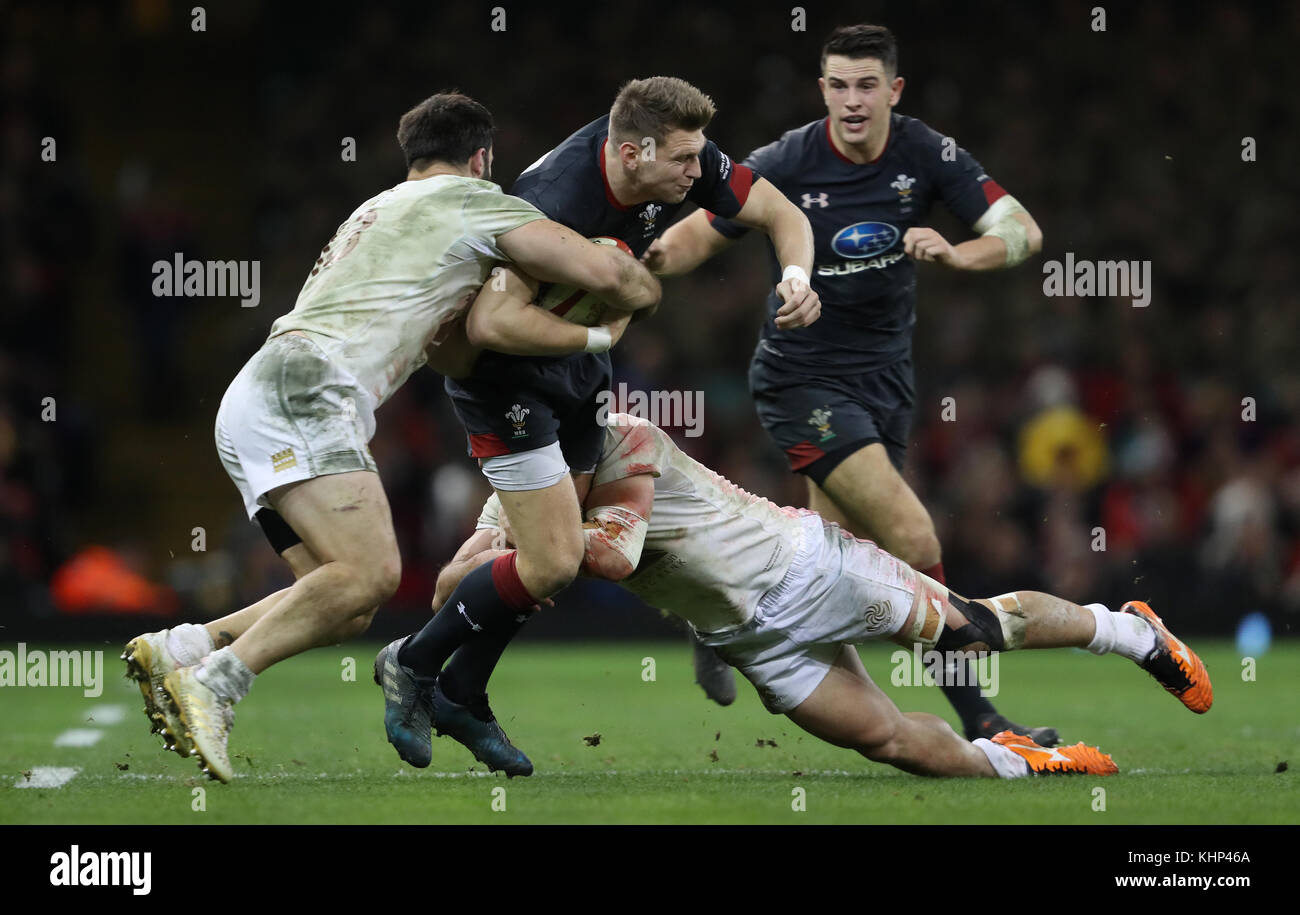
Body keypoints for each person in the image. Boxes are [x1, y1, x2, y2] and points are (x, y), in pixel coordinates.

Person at [122, 91, 661, 783]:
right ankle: (218, 682)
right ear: (482, 158)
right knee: (372, 573)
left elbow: (446, 345)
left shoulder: (374, 208)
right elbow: (605, 272)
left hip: (258, 392)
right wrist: (631, 305)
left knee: (338, 597)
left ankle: (184, 647)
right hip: (307, 390)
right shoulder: (473, 202)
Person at [379, 76, 821, 775]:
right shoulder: (553, 199)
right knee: (550, 558)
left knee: (547, 561)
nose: (694, 171)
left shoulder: (680, 158)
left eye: (697, 157)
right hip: (505, 383)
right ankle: (413, 660)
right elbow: (490, 322)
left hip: (577, 376)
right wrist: (598, 336)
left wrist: (796, 277)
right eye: (680, 160)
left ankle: (462, 687)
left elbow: (780, 211)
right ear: (631, 151)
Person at [645, 24, 1053, 743]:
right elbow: (699, 233)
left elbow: (1021, 230)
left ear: (894, 90)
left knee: (828, 556)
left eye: (867, 85)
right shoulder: (787, 159)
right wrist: (638, 264)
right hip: (802, 379)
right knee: (910, 532)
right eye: (838, 84)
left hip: (886, 382)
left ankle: (720, 620)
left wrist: (962, 254)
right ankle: (983, 715)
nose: (852, 100)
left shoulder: (927, 153)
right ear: (822, 88)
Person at [416, 415, 1211, 778]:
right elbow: (454, 585)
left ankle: (1129, 630)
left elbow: (614, 558)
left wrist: (534, 559)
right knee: (891, 742)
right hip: (751, 640)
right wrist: (517, 552)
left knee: (975, 629)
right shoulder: (525, 489)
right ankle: (1022, 763)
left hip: (807, 569)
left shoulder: (628, 439)